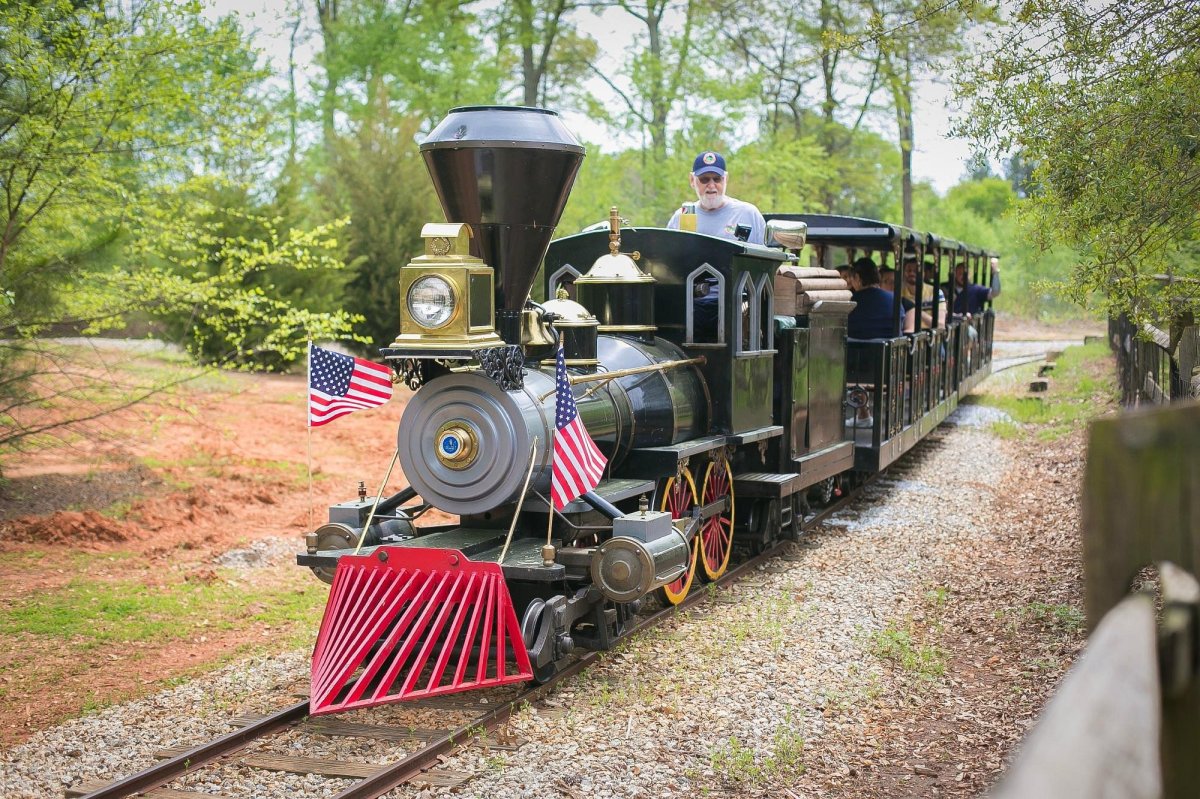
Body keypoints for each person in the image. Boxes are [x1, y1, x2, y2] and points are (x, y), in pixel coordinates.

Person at [666, 151, 767, 245]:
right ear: (692, 180)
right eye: (704, 179)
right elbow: (665, 260)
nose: (711, 185)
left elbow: (769, 257)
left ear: (726, 179)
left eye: (717, 179)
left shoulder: (748, 214)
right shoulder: (680, 218)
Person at [846, 257, 900, 340]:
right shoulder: (895, 299)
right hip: (891, 349)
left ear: (857, 277)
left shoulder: (850, 302)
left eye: (852, 278)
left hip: (856, 350)